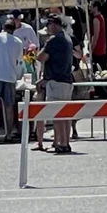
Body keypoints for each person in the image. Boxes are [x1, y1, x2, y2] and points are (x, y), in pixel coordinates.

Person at [37, 14, 75, 153]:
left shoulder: (54, 40)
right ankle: (66, 141)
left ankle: (60, 142)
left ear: (54, 24)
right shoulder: (68, 38)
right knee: (66, 115)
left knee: (57, 114)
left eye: (48, 25)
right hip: (66, 80)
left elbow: (41, 57)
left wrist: (45, 43)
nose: (47, 28)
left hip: (55, 81)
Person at [0, 18, 24, 142]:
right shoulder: (18, 41)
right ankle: (8, 134)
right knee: (9, 106)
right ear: (14, 29)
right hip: (10, 76)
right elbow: (18, 60)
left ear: (3, 27)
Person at [90, 1, 107, 71]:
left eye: (91, 6)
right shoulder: (101, 17)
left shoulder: (96, 19)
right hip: (102, 48)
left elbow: (96, 35)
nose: (90, 8)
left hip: (98, 49)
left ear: (96, 8)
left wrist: (91, 49)